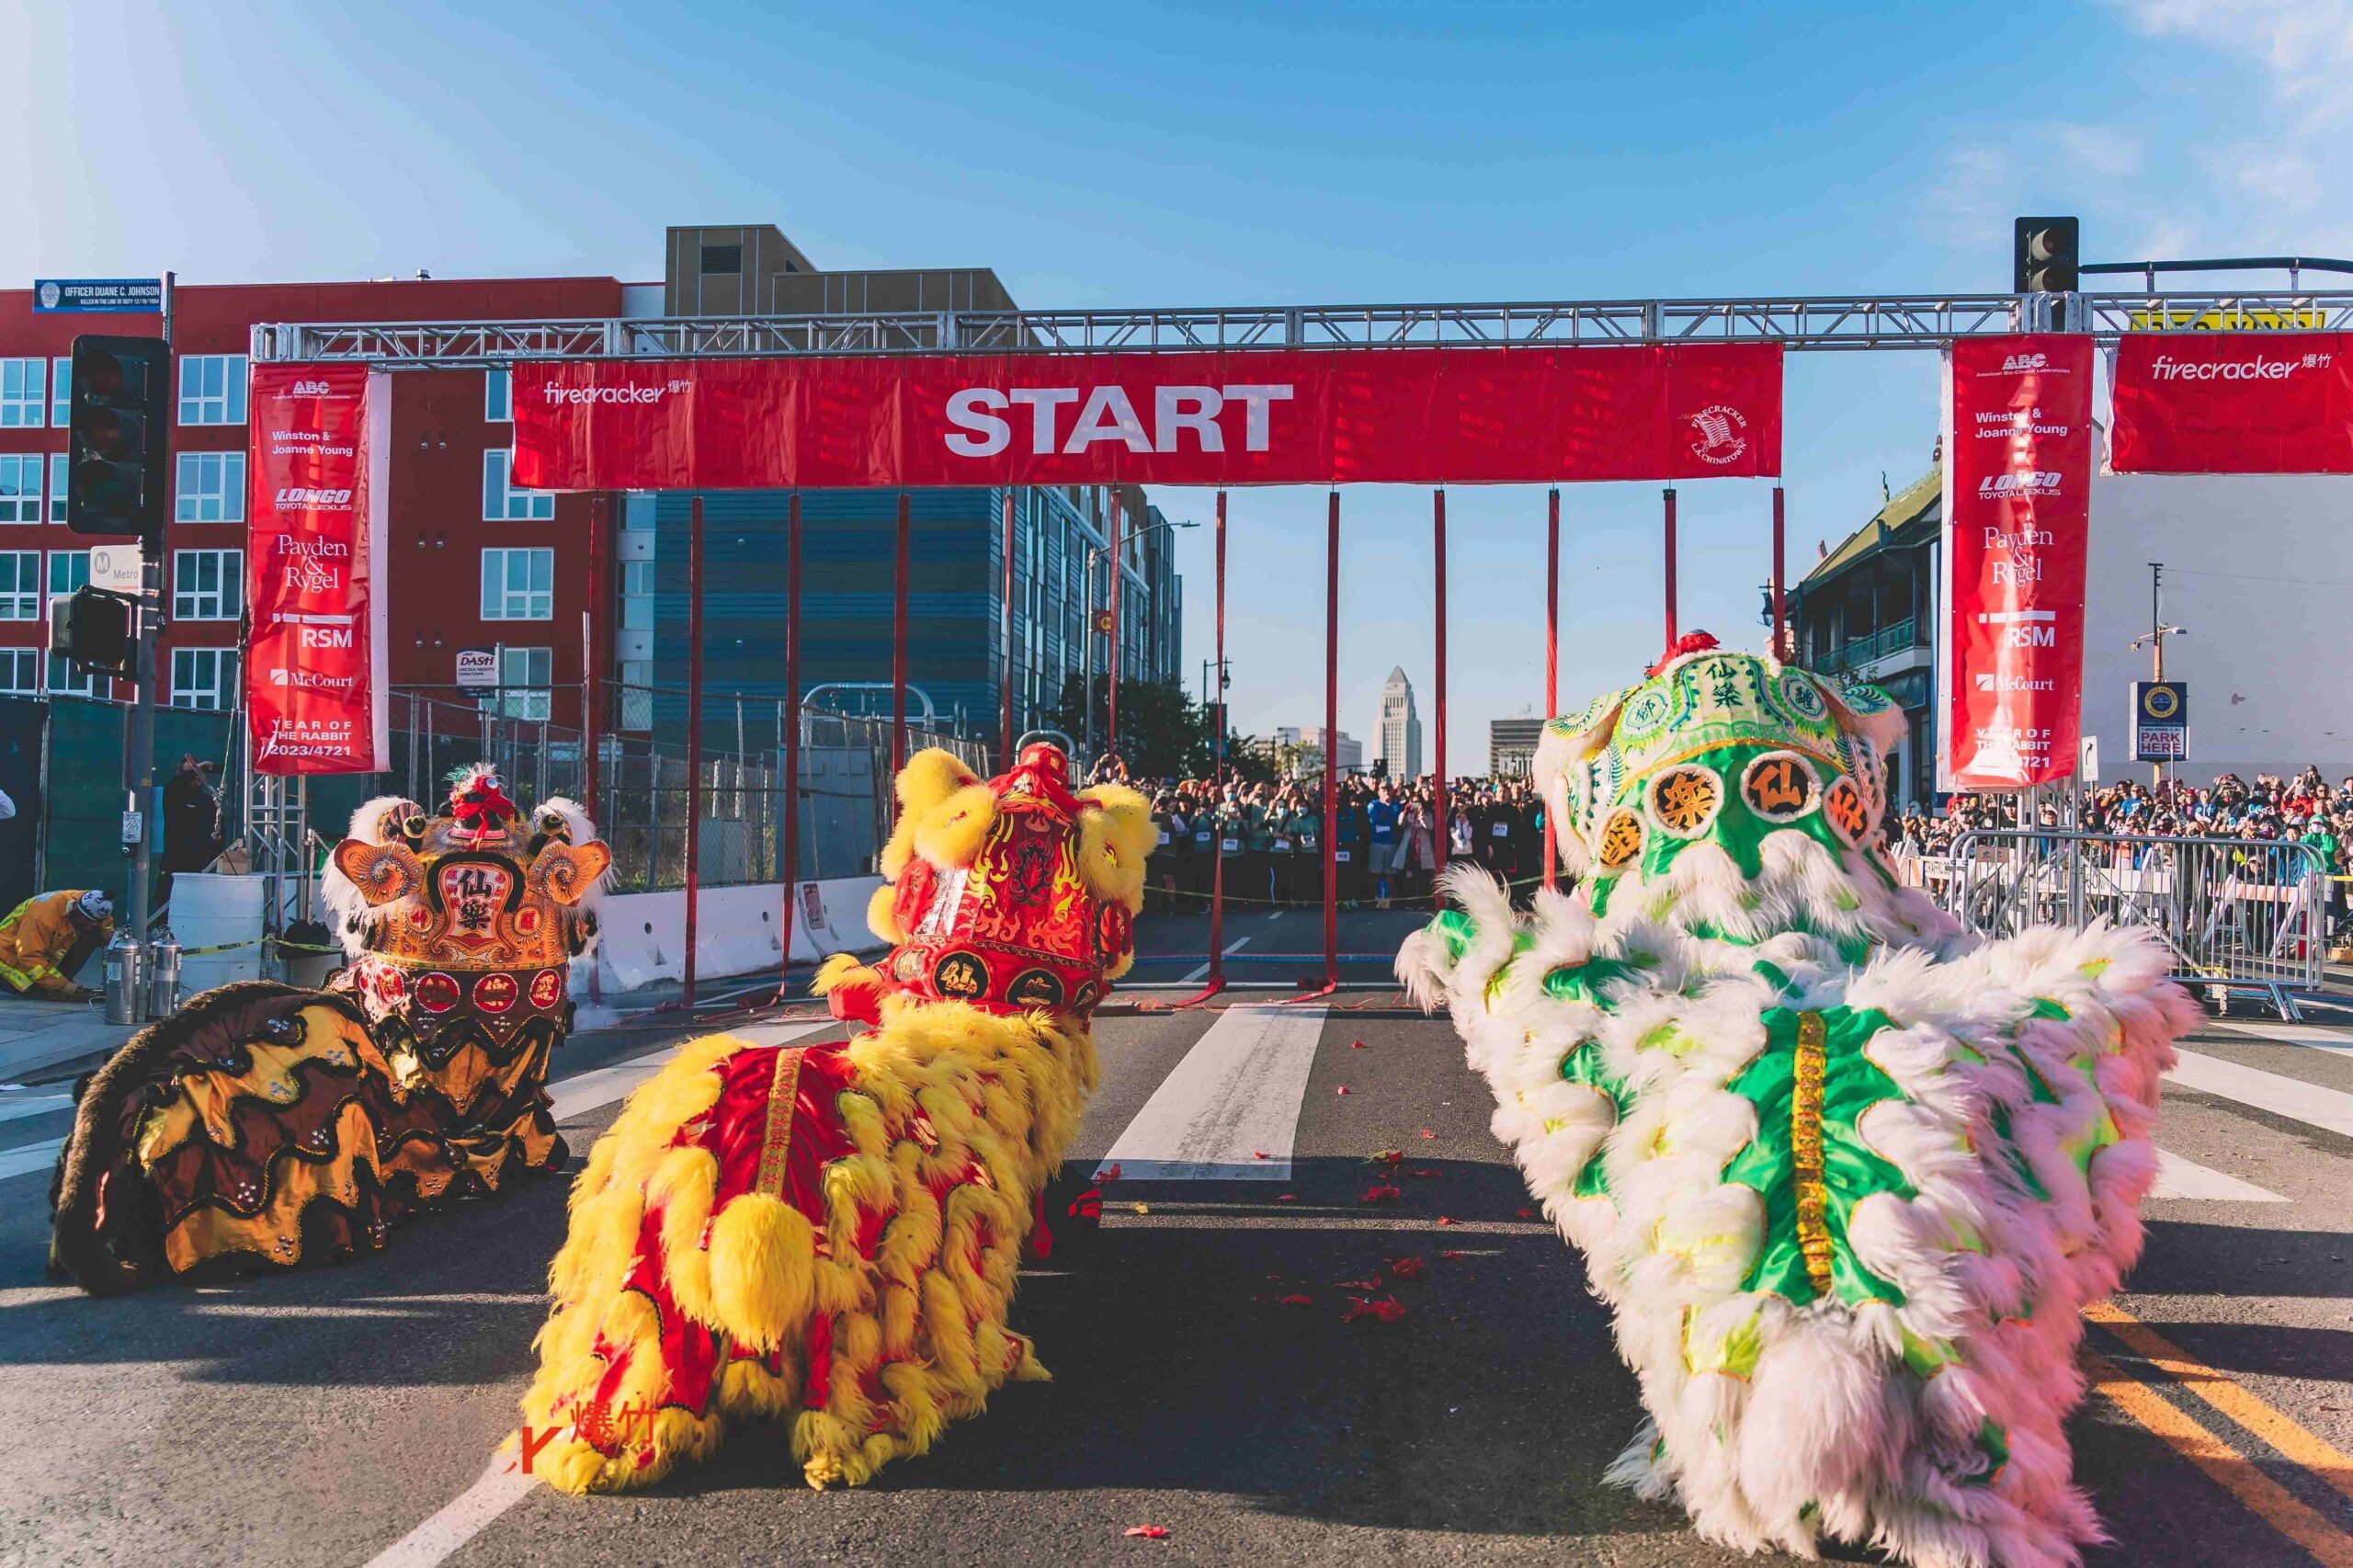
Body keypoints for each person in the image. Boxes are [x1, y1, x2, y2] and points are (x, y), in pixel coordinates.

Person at [0, 889, 113, 1001]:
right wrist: (63, 986)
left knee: (94, 934)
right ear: (76, 911)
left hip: (40, 952)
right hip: (8, 957)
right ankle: (55, 985)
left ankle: (58, 982)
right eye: (87, 922)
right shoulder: (42, 917)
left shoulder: (90, 900)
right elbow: (29, 958)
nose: (89, 926)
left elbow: (104, 921)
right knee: (40, 991)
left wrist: (108, 933)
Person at [159, 754, 224, 908]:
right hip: (176, 860)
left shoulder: (207, 801)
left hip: (202, 861)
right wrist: (198, 767)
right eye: (191, 773)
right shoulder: (173, 794)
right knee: (169, 900)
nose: (195, 777)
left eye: (197, 774)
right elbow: (176, 784)